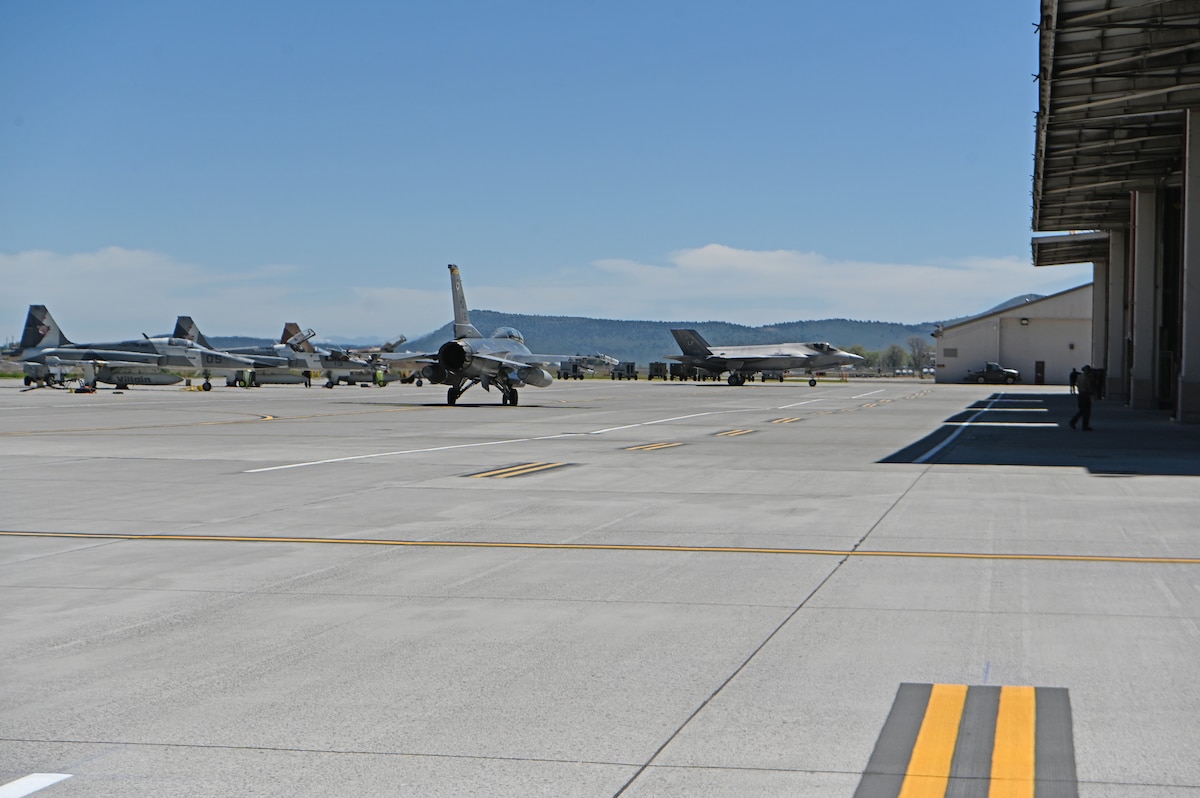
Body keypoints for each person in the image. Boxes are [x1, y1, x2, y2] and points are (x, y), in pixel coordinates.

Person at [1069, 365, 1094, 431]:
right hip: (1086, 394)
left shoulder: (1079, 376)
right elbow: (1089, 385)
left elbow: (1077, 384)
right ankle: (1083, 426)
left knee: (1082, 410)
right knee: (1087, 411)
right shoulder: (1087, 377)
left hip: (1080, 394)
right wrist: (1092, 393)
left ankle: (1074, 422)